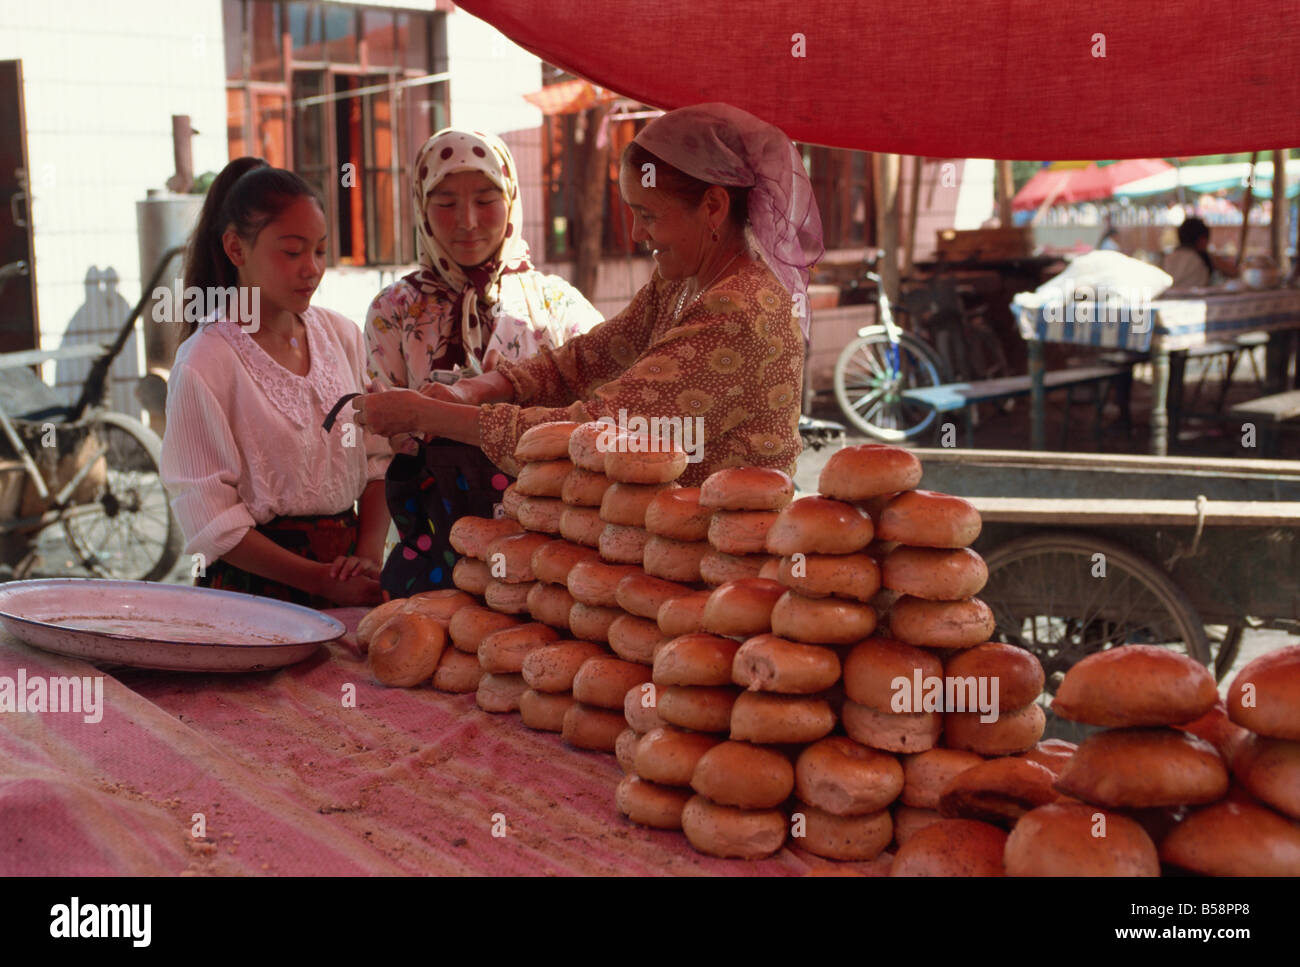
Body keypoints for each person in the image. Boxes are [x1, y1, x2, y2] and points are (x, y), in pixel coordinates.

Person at [351, 103, 824, 488]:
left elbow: (595, 429)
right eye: (446, 203)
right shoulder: (681, 280)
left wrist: (424, 412)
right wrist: (470, 390)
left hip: (726, 555)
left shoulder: (740, 309)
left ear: (714, 207)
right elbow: (585, 359)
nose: (637, 233)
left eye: (650, 215)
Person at [364, 128, 602, 595]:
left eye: (486, 199)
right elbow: (375, 452)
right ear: (422, 208)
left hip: (544, 547)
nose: (467, 221)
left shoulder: (554, 305)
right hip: (432, 547)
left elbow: (599, 418)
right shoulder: (393, 312)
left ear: (511, 199)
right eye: (446, 202)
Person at [160, 158, 391, 608]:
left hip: (347, 584)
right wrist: (319, 580)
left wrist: (365, 557)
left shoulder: (342, 337)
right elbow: (211, 520)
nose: (312, 268)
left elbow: (378, 461)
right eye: (291, 251)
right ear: (235, 249)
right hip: (252, 597)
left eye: (320, 251)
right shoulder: (205, 362)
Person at [1163, 216, 1239, 289]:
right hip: (1195, 299)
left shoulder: (1167, 257)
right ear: (1202, 240)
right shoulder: (1202, 257)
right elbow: (1234, 272)